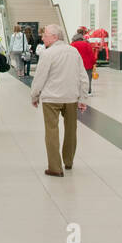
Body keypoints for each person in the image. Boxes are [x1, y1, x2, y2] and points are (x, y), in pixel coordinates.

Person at [30, 24, 89, 177]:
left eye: (45, 35)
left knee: (51, 130)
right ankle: (68, 161)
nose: (42, 38)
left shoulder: (47, 54)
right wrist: (83, 98)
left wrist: (34, 95)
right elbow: (83, 76)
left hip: (51, 98)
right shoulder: (74, 52)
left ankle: (55, 168)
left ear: (55, 37)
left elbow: (39, 77)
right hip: (71, 97)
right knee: (71, 129)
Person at [71, 28, 95, 94]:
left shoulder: (72, 45)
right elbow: (91, 54)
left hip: (76, 65)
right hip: (87, 65)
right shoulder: (87, 44)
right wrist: (93, 62)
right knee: (88, 78)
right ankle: (88, 90)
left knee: (77, 78)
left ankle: (77, 90)